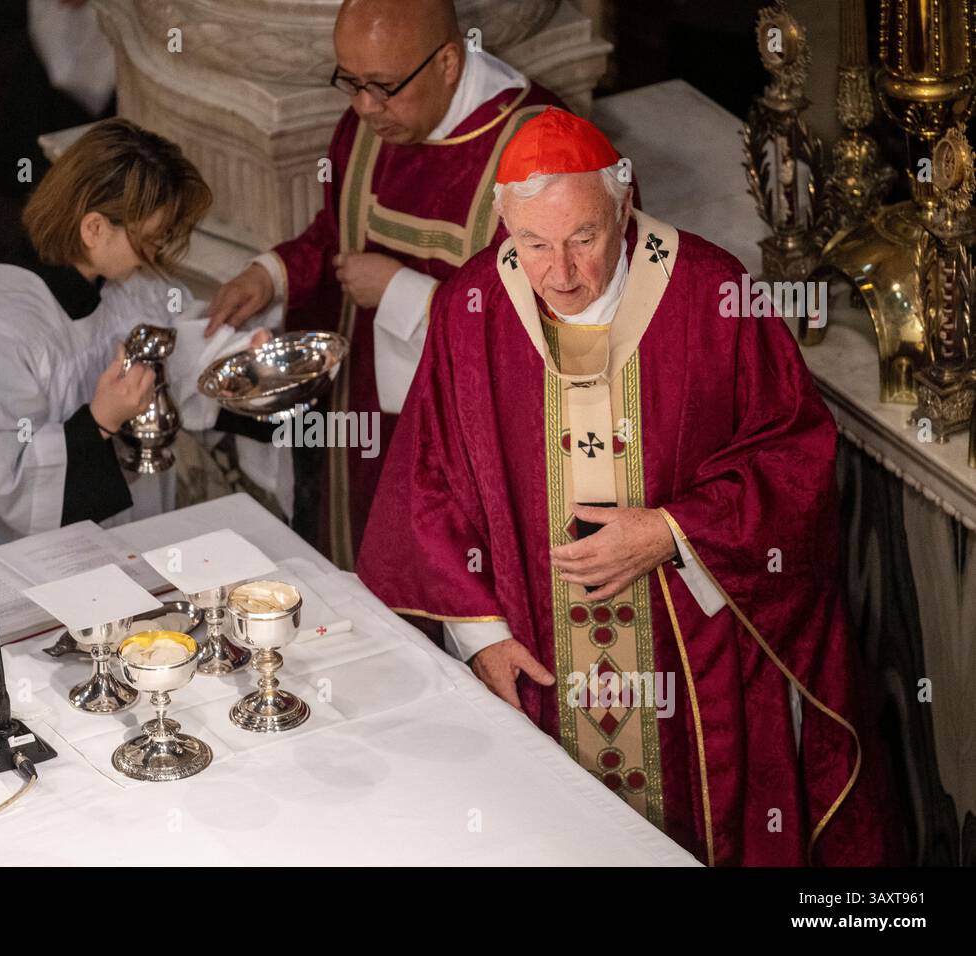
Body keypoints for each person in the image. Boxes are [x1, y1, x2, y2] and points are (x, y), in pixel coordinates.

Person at [356, 109, 898, 865]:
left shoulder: (712, 295)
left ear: (624, 207)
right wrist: (481, 639)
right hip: (539, 660)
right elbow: (429, 478)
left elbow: (793, 457)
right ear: (506, 226)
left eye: (583, 238)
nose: (562, 273)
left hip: (695, 664)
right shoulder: (472, 308)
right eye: (535, 244)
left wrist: (674, 533)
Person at [204, 0, 565, 569]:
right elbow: (336, 233)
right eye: (350, 83)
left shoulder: (542, 154)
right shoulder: (372, 123)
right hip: (368, 424)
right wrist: (271, 274)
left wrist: (402, 293)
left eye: (384, 86)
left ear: (448, 62)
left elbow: (560, 319)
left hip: (481, 439)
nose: (365, 108)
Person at [0, 119, 216, 588]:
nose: (153, 256)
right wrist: (99, 419)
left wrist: (234, 351)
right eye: (149, 239)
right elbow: (6, 484)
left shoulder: (116, 282)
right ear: (95, 228)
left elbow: (175, 330)